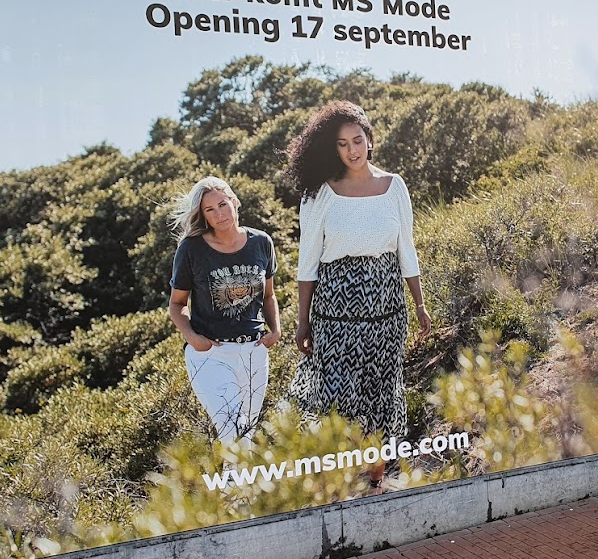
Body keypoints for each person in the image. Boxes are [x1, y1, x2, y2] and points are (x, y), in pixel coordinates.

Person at [286, 100, 432, 444]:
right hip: (334, 314)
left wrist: (420, 305)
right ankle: (344, 470)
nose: (352, 151)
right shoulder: (318, 194)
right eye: (342, 144)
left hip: (387, 310)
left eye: (357, 140)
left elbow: (406, 250)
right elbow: (308, 263)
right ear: (333, 149)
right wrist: (303, 321)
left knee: (382, 398)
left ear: (369, 139)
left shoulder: (395, 186)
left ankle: (378, 472)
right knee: (337, 404)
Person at [168, 176, 281, 446]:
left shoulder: (261, 242)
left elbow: (268, 295)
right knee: (234, 430)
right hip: (211, 354)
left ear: (234, 202)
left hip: (254, 352)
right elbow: (177, 304)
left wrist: (275, 330)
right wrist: (192, 338)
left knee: (245, 435)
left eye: (222, 205)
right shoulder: (192, 249)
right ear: (203, 215)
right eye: (210, 209)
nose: (219, 214)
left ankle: (235, 476)